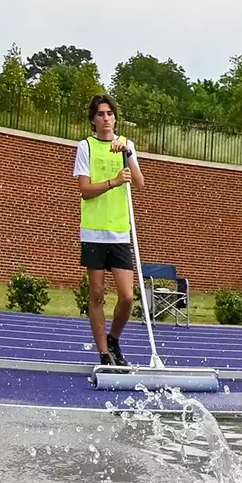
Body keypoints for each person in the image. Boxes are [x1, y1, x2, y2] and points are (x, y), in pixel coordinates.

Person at [73, 94, 145, 366]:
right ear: (93, 119)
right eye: (100, 114)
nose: (105, 118)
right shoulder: (86, 147)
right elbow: (85, 190)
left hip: (119, 231)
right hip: (94, 231)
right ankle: (104, 354)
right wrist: (113, 182)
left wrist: (128, 154)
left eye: (109, 113)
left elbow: (139, 183)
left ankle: (114, 338)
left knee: (127, 296)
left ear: (115, 117)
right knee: (97, 294)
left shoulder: (126, 145)